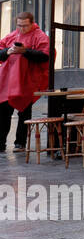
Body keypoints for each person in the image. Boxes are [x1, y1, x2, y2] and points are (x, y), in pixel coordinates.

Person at [0, 12, 51, 153]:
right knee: (3, 112)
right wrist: (7, 51)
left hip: (27, 81)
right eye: (19, 25)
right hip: (8, 81)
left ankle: (20, 143)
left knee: (23, 112)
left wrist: (25, 51)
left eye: (25, 26)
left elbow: (45, 56)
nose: (21, 29)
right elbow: (0, 50)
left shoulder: (40, 36)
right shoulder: (12, 35)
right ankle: (1, 143)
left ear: (32, 23)